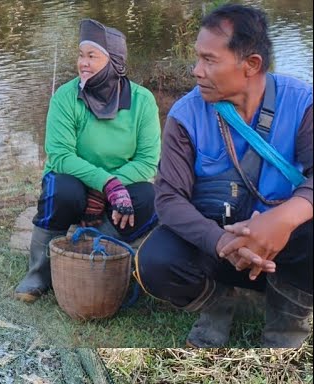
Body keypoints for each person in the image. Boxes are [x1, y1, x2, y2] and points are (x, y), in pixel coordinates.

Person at [134, 5, 312, 347]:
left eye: (209, 60)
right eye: (197, 58)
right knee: (154, 261)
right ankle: (218, 303)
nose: (196, 70)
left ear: (251, 65)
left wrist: (282, 221)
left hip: (283, 251)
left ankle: (286, 325)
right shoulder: (186, 115)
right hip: (217, 248)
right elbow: (169, 199)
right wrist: (220, 242)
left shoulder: (302, 104)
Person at [15, 19, 161, 303]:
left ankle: (97, 252)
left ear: (115, 61)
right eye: (81, 55)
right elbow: (60, 156)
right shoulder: (66, 97)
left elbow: (146, 162)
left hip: (118, 187)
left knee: (147, 197)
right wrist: (106, 184)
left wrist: (112, 188)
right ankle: (39, 273)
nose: (83, 63)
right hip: (78, 183)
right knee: (62, 189)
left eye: (92, 56)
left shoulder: (142, 101)